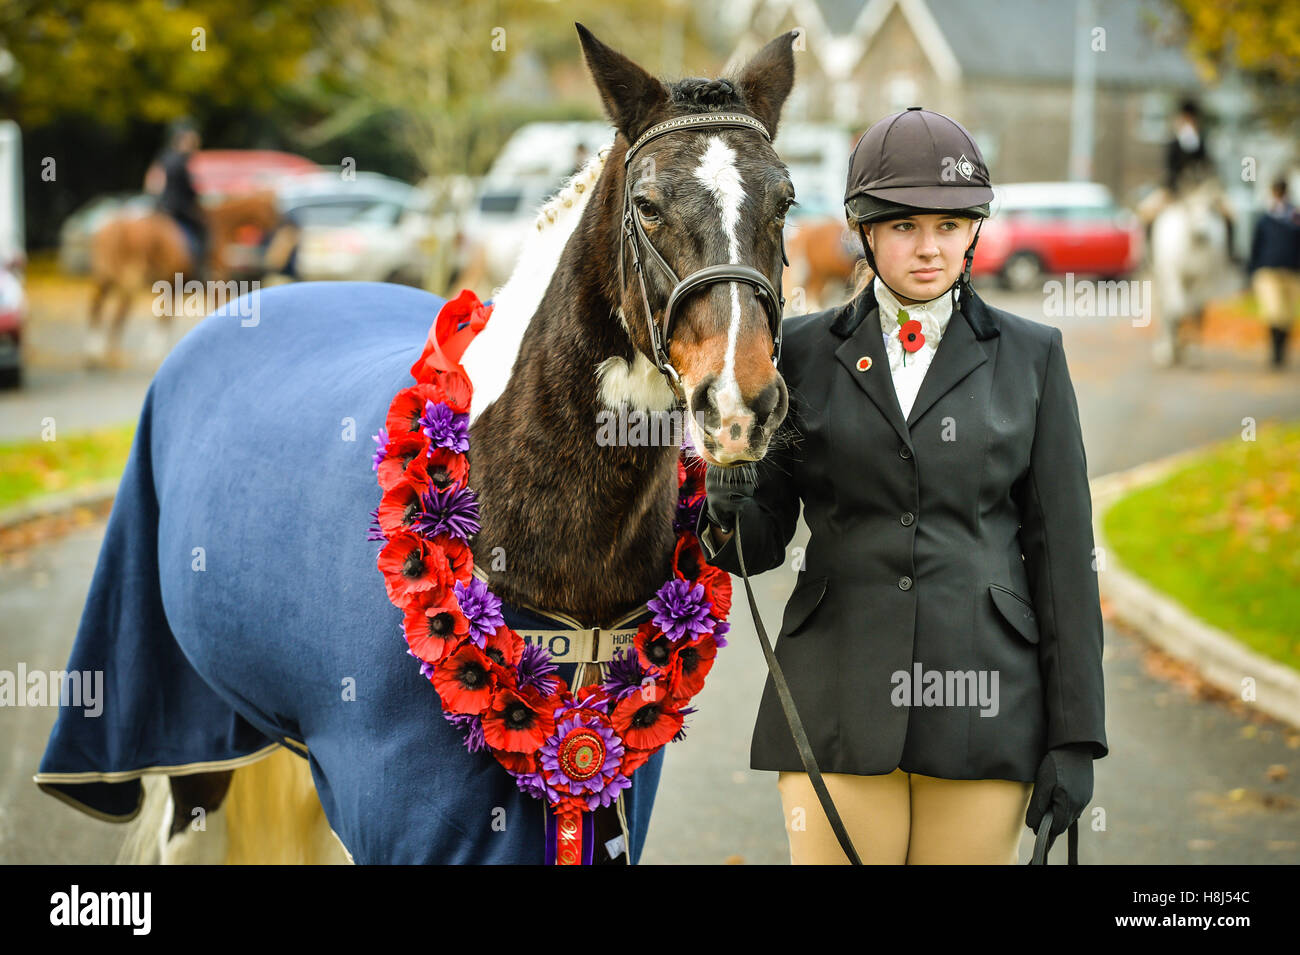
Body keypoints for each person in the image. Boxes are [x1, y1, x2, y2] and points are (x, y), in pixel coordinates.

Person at [696, 107, 1107, 864]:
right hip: (836, 696)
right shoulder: (804, 352)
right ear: (864, 230)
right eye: (905, 226)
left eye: (950, 226)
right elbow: (757, 546)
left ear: (975, 231)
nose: (929, 248)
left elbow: (1064, 559)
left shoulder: (1033, 357)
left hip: (987, 701)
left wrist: (1076, 734)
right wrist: (726, 500)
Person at [1246, 176, 1300, 369]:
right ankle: (1275, 351)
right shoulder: (1265, 218)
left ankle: (1281, 351)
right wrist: (1252, 269)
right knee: (1274, 311)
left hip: (1292, 271)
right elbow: (1256, 245)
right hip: (1269, 270)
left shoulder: (1294, 216)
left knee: (1286, 315)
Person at [156, 119, 208, 279]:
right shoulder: (183, 161)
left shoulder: (165, 157)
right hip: (180, 209)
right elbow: (188, 190)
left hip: (162, 207)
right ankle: (201, 269)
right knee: (203, 232)